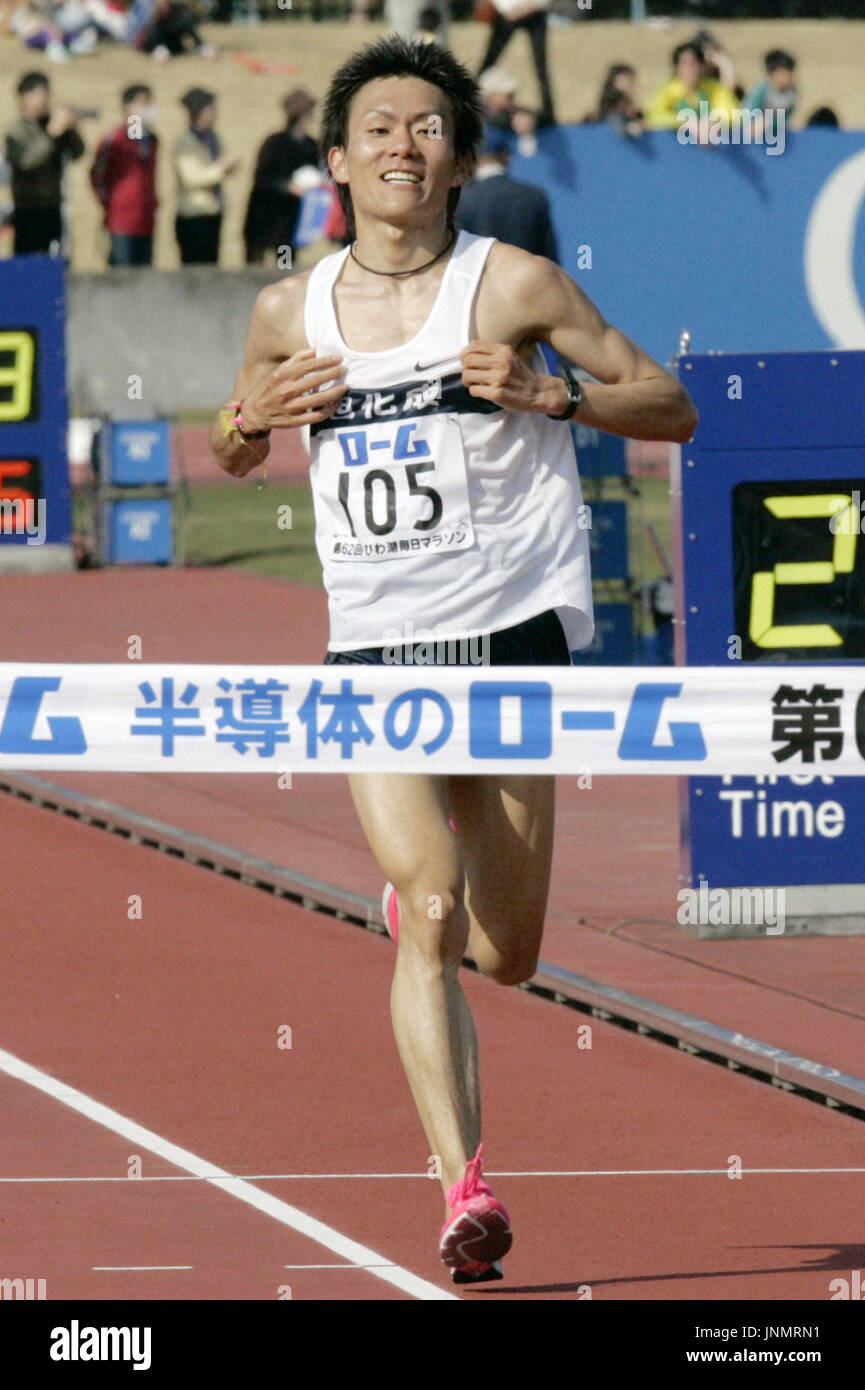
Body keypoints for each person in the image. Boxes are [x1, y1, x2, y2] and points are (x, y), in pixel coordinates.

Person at [210, 36, 696, 1284]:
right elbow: (232, 440)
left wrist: (556, 403)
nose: (401, 147)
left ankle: (427, 912)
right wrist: (250, 420)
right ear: (336, 160)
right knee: (426, 908)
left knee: (507, 950)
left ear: (461, 160)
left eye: (428, 128)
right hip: (374, 649)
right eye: (378, 127)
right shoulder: (290, 308)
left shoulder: (516, 286)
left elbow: (668, 401)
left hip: (517, 640)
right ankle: (462, 1190)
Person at [5, 70, 84, 254]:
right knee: (27, 265)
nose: (45, 100)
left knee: (56, 262)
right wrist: (53, 132)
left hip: (53, 207)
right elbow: (26, 161)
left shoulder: (51, 124)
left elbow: (77, 153)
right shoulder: (17, 130)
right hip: (28, 209)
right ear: (24, 97)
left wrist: (71, 130)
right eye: (40, 95)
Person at [456, 125, 557, 259]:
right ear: (507, 157)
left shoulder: (463, 200)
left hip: (482, 279)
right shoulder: (533, 196)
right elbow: (550, 258)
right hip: (528, 278)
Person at [243, 89, 319, 266]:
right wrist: (287, 186)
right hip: (263, 220)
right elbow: (262, 177)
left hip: (288, 225)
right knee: (254, 268)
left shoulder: (311, 146)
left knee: (285, 266)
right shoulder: (274, 143)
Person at [90, 84, 158, 267]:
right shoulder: (115, 140)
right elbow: (98, 176)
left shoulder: (150, 140)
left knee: (143, 279)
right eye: (143, 103)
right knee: (121, 278)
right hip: (121, 222)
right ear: (128, 107)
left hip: (145, 221)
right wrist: (113, 204)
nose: (148, 108)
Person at [173, 87, 237, 265]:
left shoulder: (213, 137)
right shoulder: (185, 142)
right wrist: (221, 168)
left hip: (213, 213)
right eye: (210, 108)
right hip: (194, 217)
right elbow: (192, 179)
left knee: (211, 267)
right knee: (195, 270)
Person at [476, 0, 555, 127]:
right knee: (488, 63)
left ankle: (550, 114)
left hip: (534, 11)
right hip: (508, 12)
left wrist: (533, 5)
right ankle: (470, 107)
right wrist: (506, 8)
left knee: (541, 67)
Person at [645, 39, 739, 130]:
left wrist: (714, 121)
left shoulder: (716, 89)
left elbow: (733, 115)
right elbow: (653, 115)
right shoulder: (668, 90)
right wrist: (687, 122)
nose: (690, 69)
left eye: (694, 63)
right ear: (677, 67)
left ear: (702, 66)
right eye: (684, 63)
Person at [746, 49, 798, 128]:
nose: (787, 78)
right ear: (772, 74)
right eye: (783, 74)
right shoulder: (762, 90)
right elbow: (749, 112)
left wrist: (770, 123)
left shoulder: (792, 93)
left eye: (789, 74)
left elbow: (785, 118)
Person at [590, 62, 643, 138]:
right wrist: (630, 129)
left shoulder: (630, 108)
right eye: (625, 79)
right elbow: (619, 128)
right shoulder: (612, 110)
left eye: (631, 80)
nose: (629, 83)